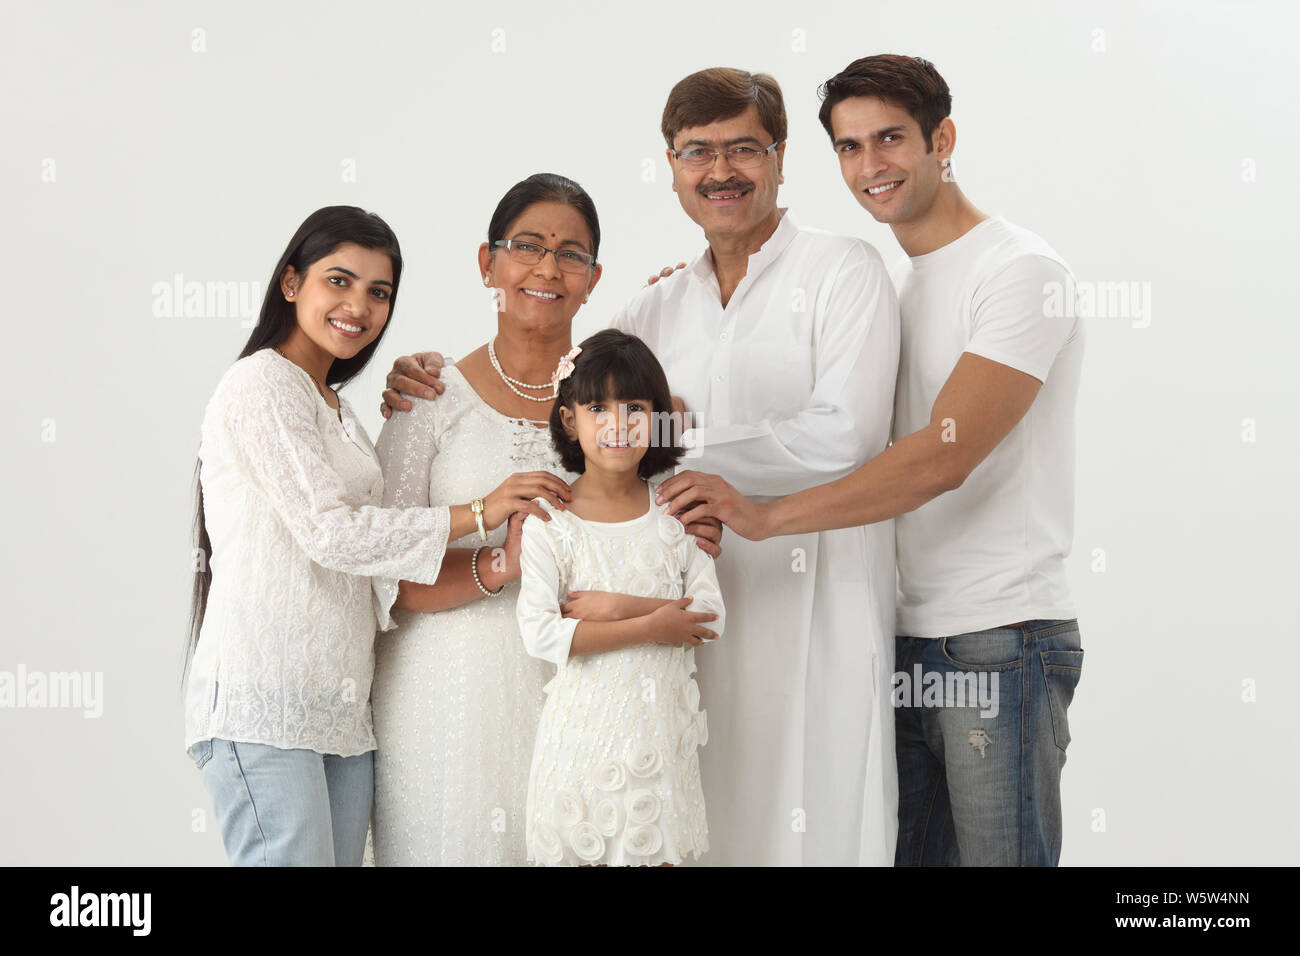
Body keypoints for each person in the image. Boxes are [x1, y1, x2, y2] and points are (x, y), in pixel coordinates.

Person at [381, 68, 901, 866]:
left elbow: (846, 437)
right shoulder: (651, 312)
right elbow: (574, 404)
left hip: (805, 618)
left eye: (742, 149)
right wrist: (424, 370)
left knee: (813, 825)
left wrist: (677, 439)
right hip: (650, 662)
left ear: (782, 157)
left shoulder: (843, 269)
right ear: (671, 165)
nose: (720, 170)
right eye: (698, 151)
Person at [655, 55, 1086, 867]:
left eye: (889, 138)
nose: (870, 165)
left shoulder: (1021, 272)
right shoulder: (897, 280)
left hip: (1000, 633)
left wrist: (762, 511)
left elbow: (937, 458)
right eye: (850, 148)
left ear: (942, 138)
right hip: (906, 631)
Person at [183, 206, 566, 866]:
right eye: (339, 281)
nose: (358, 306)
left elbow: (376, 558)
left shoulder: (339, 408)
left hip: (340, 709)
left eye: (378, 292)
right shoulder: (262, 383)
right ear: (291, 283)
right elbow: (330, 534)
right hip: (263, 705)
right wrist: (481, 511)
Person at [368, 174, 706, 865]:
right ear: (487, 263)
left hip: (590, 697)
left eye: (571, 253)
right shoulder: (429, 399)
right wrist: (499, 565)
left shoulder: (626, 410)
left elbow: (669, 533)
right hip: (453, 692)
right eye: (527, 246)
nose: (548, 268)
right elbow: (385, 574)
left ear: (593, 278)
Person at [516, 329, 725, 867]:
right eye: (597, 407)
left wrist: (619, 608)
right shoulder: (551, 522)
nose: (617, 424)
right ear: (570, 420)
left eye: (634, 407)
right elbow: (541, 633)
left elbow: (711, 617)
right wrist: (653, 624)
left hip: (657, 750)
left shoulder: (676, 511)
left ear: (658, 418)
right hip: (580, 744)